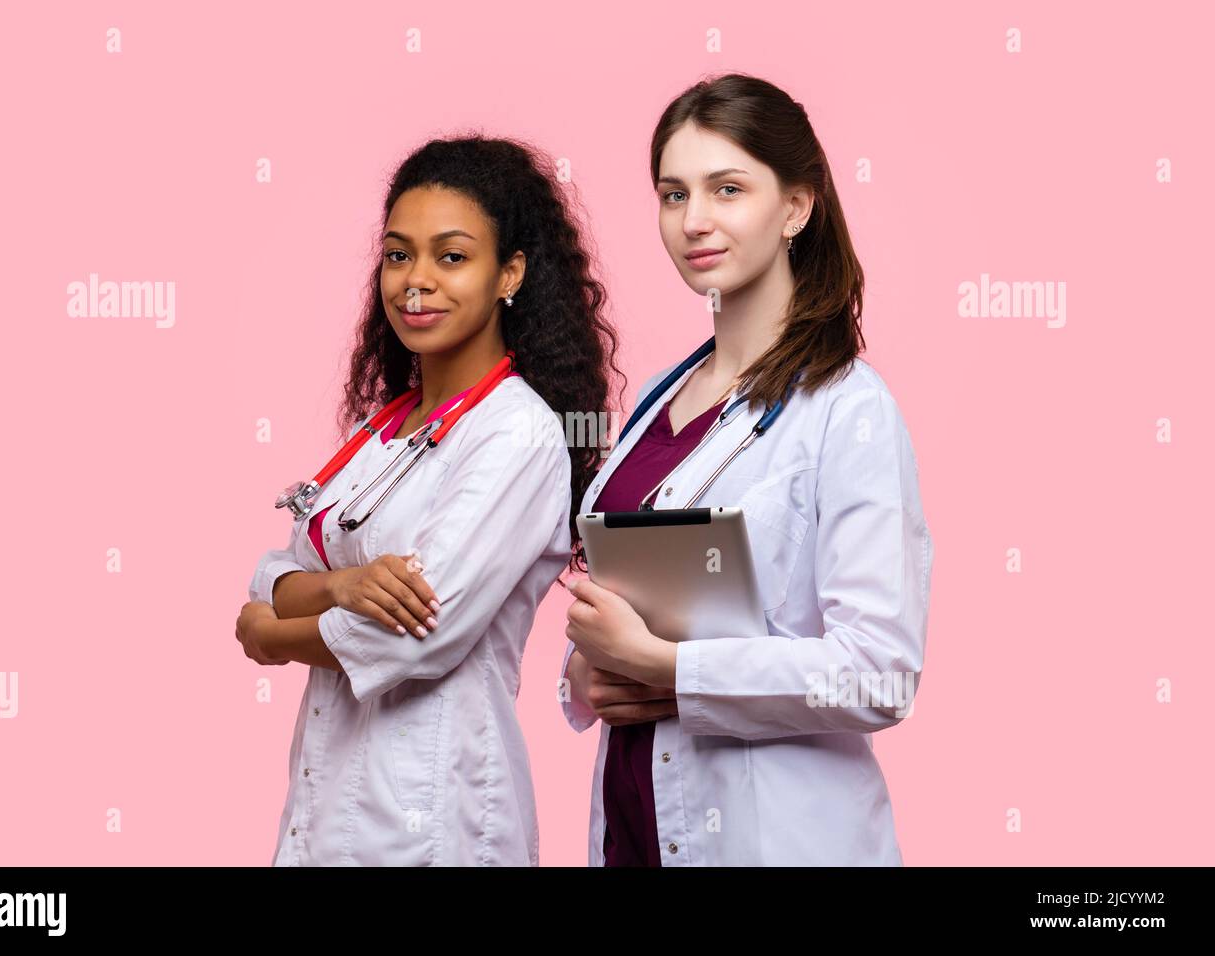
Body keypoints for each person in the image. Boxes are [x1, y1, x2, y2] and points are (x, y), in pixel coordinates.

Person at [560, 73, 934, 866]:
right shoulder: (657, 403)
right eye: (672, 194)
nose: (694, 221)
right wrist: (586, 677)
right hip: (636, 826)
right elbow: (631, 612)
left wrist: (672, 668)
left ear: (796, 207)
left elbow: (879, 673)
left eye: (727, 189)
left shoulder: (847, 410)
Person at [236, 135, 621, 865]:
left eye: (452, 256)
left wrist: (267, 633)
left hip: (434, 817)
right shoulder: (383, 430)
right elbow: (275, 569)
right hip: (325, 809)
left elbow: (411, 634)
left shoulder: (519, 435)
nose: (416, 281)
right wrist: (339, 586)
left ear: (510, 272)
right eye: (398, 254)